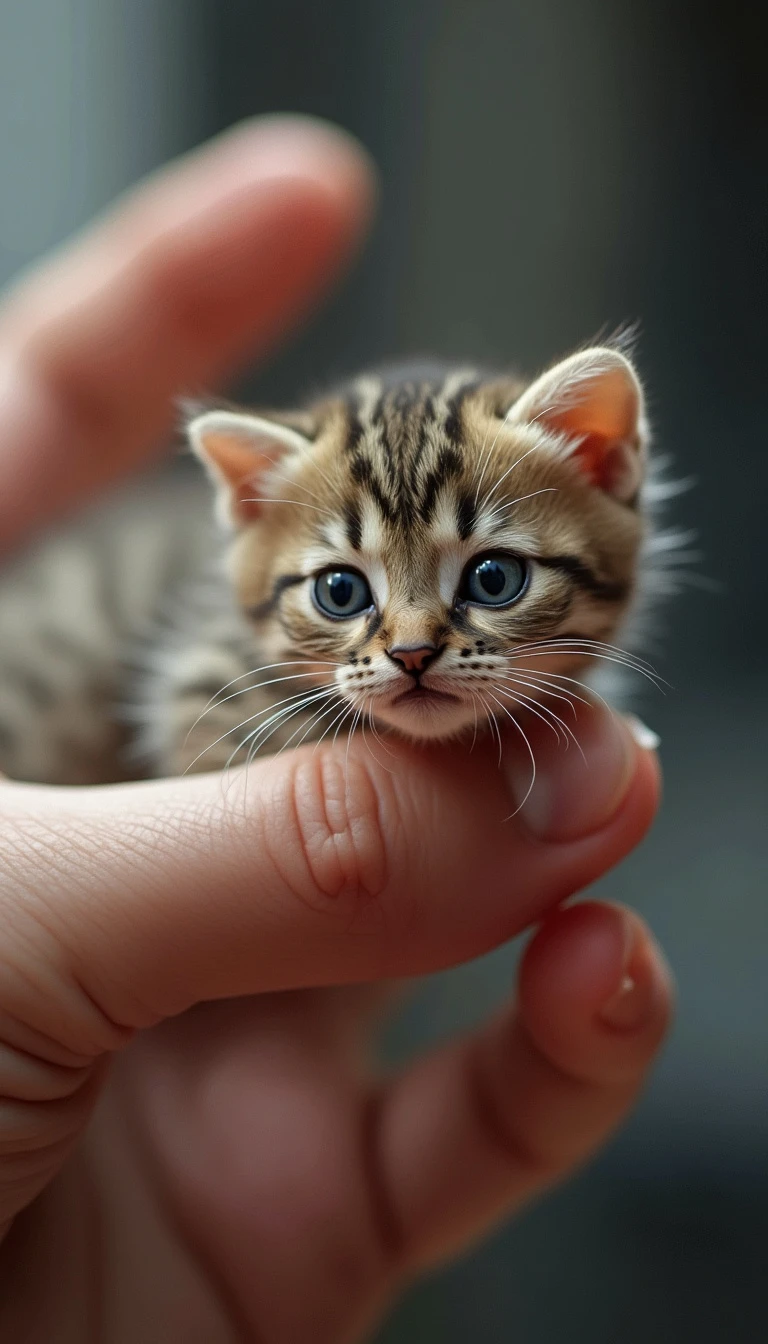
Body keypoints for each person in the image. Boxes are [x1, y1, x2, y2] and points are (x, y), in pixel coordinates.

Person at [0, 116, 672, 1342]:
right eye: (346, 592)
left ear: (603, 468)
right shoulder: (249, 657)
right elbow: (191, 718)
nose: (411, 644)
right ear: (250, 511)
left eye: (491, 580)